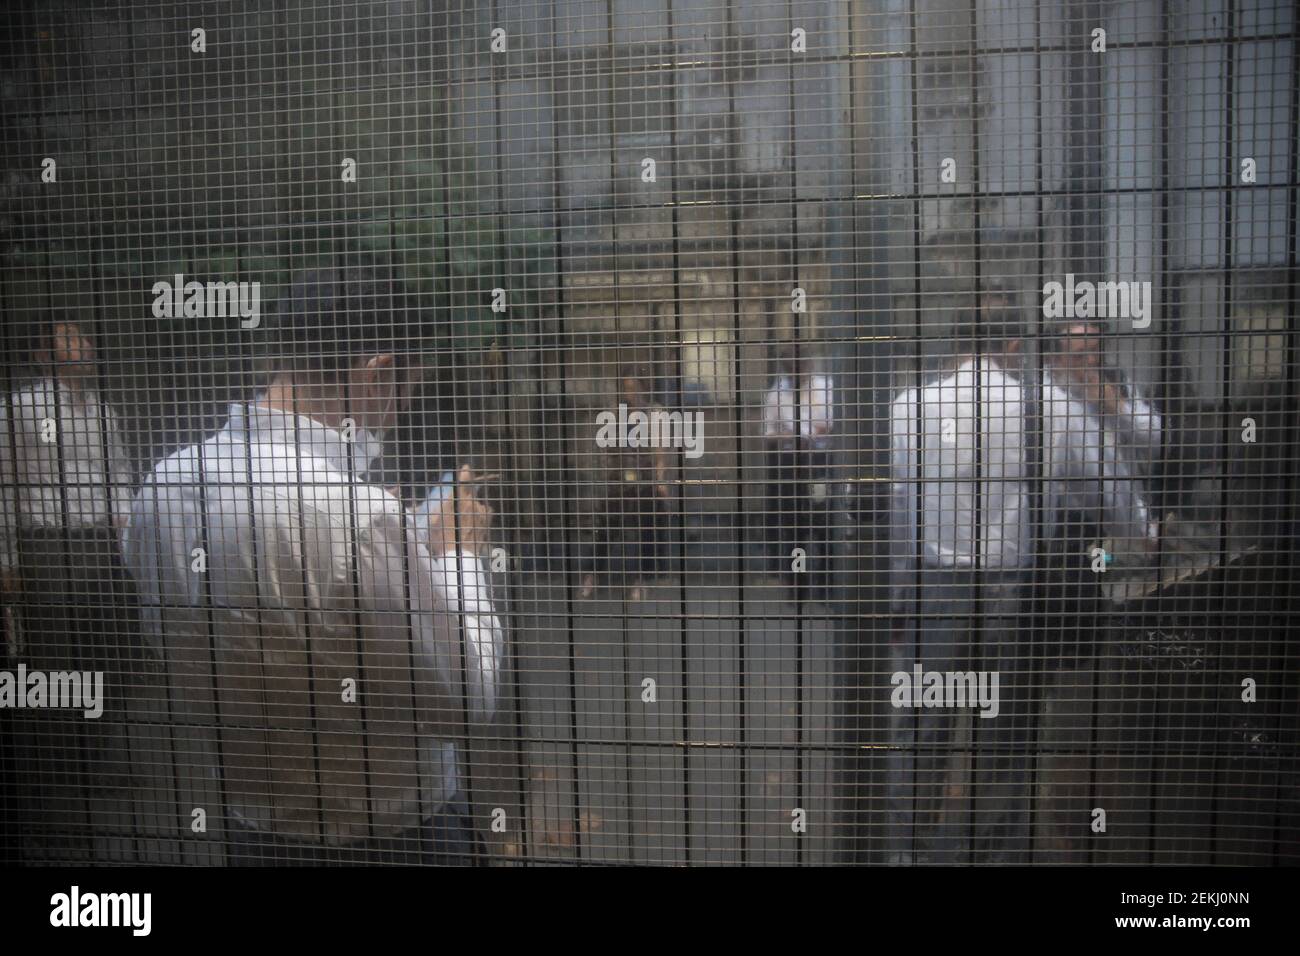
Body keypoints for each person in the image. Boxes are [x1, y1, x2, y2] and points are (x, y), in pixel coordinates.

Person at [121, 269, 498, 865]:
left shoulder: (160, 488)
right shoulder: (361, 513)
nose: (401, 411)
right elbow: (465, 700)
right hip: (396, 830)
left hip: (253, 825)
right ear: (378, 373)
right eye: (408, 388)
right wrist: (456, 557)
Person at [886, 310, 1158, 864]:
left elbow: (900, 508)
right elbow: (1107, 484)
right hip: (1013, 588)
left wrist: (899, 591)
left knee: (922, 723)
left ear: (956, 342)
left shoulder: (908, 406)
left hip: (935, 584)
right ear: (1012, 343)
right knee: (1004, 731)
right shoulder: (1048, 406)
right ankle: (993, 853)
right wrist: (1142, 530)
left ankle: (904, 849)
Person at [0, 317, 139, 858]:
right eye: (66, 339)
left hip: (101, 544)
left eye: (83, 337)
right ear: (42, 354)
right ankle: (50, 788)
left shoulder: (101, 409)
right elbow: (5, 483)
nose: (81, 346)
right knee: (57, 662)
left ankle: (91, 768)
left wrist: (125, 531)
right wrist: (8, 558)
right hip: (47, 544)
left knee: (105, 656)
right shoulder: (21, 409)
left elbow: (119, 472)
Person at [580, 369, 672, 603]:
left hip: (643, 480)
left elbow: (660, 451)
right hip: (618, 479)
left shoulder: (654, 412)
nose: (631, 394)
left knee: (643, 531)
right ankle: (592, 575)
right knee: (607, 530)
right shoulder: (615, 414)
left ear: (643, 389)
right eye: (627, 388)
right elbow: (605, 448)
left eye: (634, 388)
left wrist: (659, 479)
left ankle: (639, 580)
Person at [761, 346, 834, 592]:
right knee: (794, 526)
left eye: (801, 363)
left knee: (824, 522)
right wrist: (790, 435)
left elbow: (843, 423)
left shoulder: (827, 388)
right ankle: (797, 583)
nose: (796, 368)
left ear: (810, 363)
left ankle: (825, 584)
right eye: (791, 364)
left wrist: (823, 431)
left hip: (820, 464)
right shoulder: (776, 394)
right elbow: (767, 435)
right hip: (791, 466)